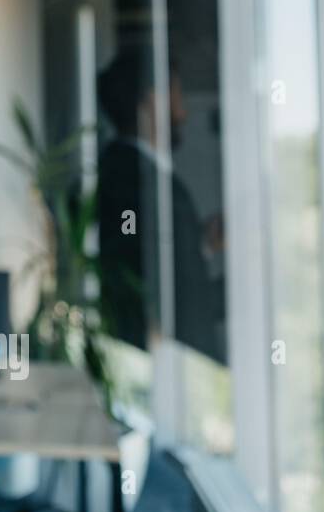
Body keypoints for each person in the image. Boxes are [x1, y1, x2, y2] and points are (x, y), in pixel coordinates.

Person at [96, 47, 226, 363]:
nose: (184, 112)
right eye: (178, 94)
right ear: (153, 100)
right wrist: (250, 273)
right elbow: (185, 304)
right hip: (174, 373)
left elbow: (150, 270)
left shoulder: (118, 171)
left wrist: (202, 246)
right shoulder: (149, 185)